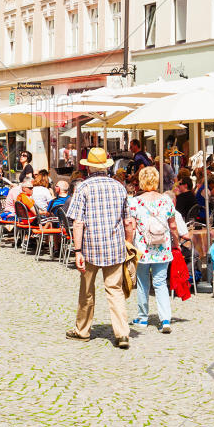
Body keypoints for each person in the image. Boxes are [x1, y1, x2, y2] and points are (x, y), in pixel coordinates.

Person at [66, 148, 134, 349]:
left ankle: (83, 330)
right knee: (115, 290)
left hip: (90, 247)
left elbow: (78, 223)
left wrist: (77, 251)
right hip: (114, 246)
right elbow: (128, 221)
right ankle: (122, 333)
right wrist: (128, 242)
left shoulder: (84, 188)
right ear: (106, 167)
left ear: (88, 167)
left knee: (87, 290)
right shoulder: (119, 187)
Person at [126, 166, 186, 334]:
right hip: (162, 246)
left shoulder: (135, 201)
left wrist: (129, 245)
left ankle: (143, 317)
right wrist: (176, 243)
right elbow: (173, 225)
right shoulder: (166, 200)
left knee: (142, 282)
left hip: (143, 247)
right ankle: (165, 319)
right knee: (160, 283)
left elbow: (131, 226)